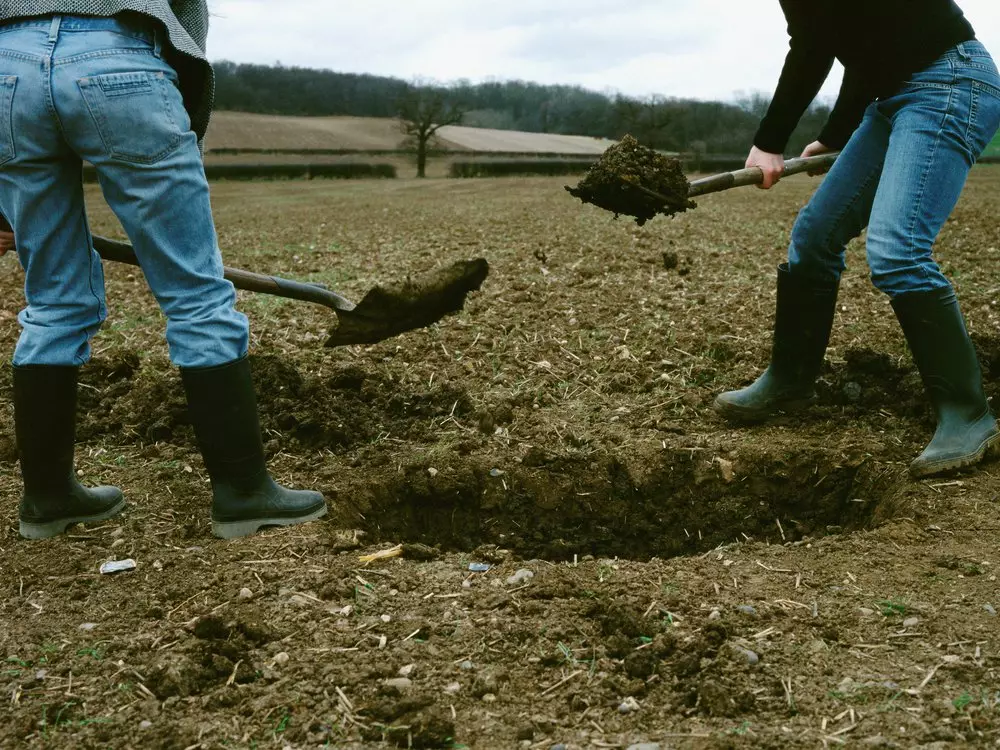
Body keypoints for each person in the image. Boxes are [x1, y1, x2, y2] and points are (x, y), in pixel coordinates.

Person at [0, 3, 327, 539]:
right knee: (195, 294)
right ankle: (244, 492)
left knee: (53, 302)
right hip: (116, 54)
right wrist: (182, 116)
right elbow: (189, 15)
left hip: (6, 69)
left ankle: (48, 495)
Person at [714, 0, 1000, 478]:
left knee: (898, 251)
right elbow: (858, 41)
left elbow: (813, 46)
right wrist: (834, 135)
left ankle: (967, 414)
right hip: (890, 95)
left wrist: (769, 141)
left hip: (951, 83)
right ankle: (790, 380)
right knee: (814, 236)